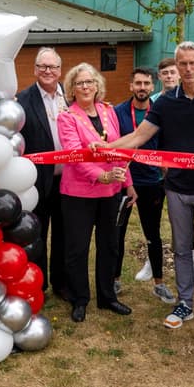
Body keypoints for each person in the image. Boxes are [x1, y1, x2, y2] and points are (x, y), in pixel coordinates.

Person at [97, 40, 194, 359]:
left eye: (193, 63)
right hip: (176, 188)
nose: (188, 69)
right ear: (176, 66)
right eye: (183, 64)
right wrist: (107, 148)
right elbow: (139, 137)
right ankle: (185, 304)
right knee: (181, 249)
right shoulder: (165, 101)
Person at [57, 63, 138, 322]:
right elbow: (74, 155)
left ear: (97, 85)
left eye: (89, 81)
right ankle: (80, 298)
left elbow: (120, 149)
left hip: (111, 192)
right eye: (79, 83)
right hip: (78, 194)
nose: (85, 86)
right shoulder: (67, 116)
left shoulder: (108, 111)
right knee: (77, 249)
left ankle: (107, 297)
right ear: (71, 88)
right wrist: (101, 176)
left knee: (110, 246)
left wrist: (128, 183)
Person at [114, 68, 175, 304]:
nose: (142, 87)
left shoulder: (160, 111)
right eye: (137, 83)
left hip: (152, 182)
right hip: (123, 180)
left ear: (152, 86)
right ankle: (115, 280)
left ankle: (159, 283)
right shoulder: (118, 112)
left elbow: (166, 146)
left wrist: (166, 176)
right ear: (131, 85)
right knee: (117, 232)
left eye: (146, 83)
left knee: (153, 234)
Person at [16, 47, 69, 299]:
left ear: (60, 70)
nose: (48, 71)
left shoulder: (71, 95)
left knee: (64, 233)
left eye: (53, 67)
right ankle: (39, 283)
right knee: (36, 234)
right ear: (35, 69)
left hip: (69, 179)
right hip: (36, 181)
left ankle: (61, 283)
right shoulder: (22, 101)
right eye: (42, 66)